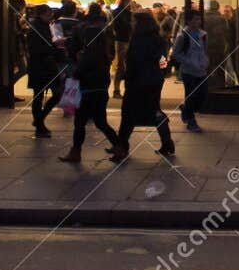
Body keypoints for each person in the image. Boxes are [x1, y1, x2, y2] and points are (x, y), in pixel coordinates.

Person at [112, 11, 174, 160]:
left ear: (140, 24)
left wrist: (127, 78)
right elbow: (163, 61)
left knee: (128, 114)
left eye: (134, 22)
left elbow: (133, 63)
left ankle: (121, 147)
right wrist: (160, 73)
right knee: (154, 110)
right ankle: (167, 143)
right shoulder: (158, 39)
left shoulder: (137, 40)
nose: (132, 24)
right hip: (154, 81)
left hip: (137, 82)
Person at [59, 21, 120, 162]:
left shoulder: (87, 55)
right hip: (100, 92)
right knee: (101, 123)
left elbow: (79, 73)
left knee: (79, 124)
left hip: (87, 93)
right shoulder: (104, 55)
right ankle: (119, 146)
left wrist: (74, 72)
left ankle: (75, 152)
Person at [25, 4, 66, 138]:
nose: (50, 18)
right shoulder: (38, 28)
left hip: (42, 66)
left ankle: (39, 121)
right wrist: (55, 46)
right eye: (48, 15)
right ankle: (39, 122)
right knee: (52, 93)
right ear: (42, 14)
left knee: (40, 95)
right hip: (42, 66)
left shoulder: (41, 26)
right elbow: (38, 49)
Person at [170, 9, 210, 132]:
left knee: (202, 95)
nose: (198, 22)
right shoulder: (182, 36)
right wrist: (189, 61)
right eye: (195, 19)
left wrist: (205, 62)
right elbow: (176, 54)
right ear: (189, 21)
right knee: (191, 95)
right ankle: (191, 121)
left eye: (199, 19)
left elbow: (204, 51)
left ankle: (186, 110)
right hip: (189, 72)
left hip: (201, 70)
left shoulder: (203, 35)